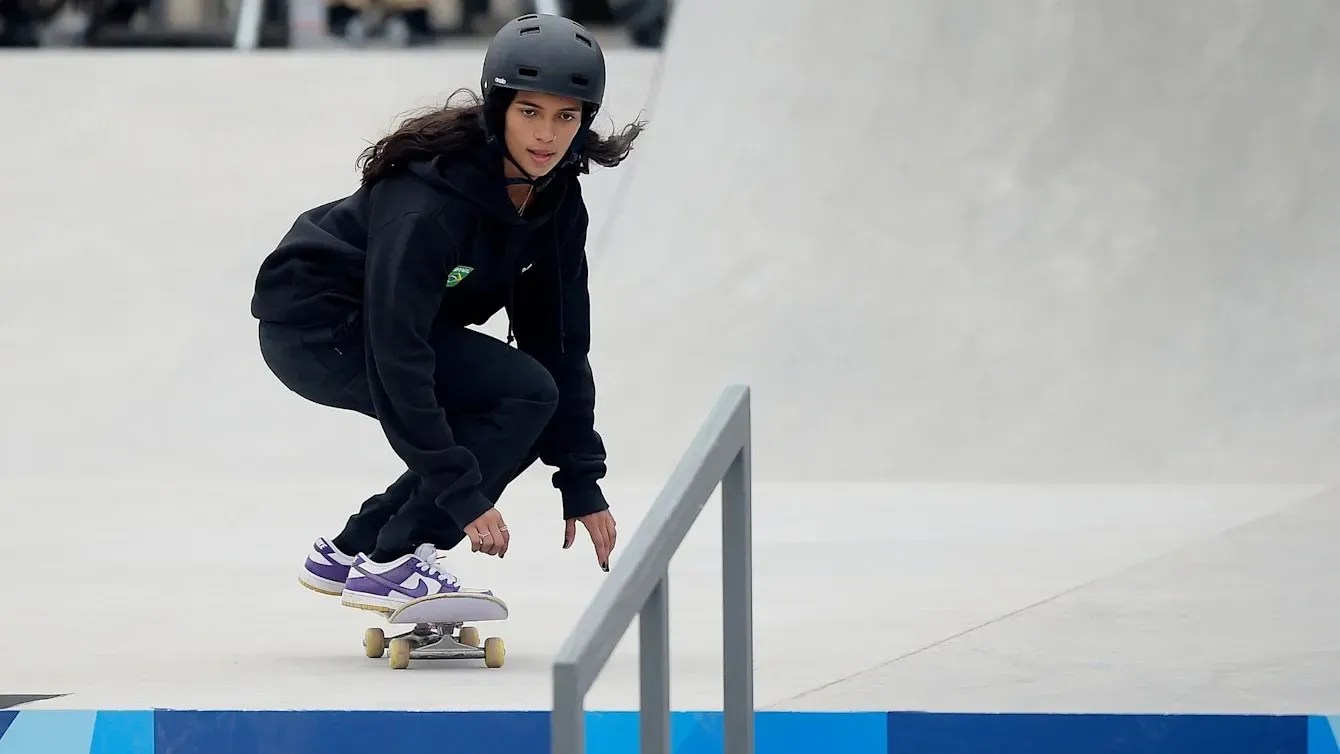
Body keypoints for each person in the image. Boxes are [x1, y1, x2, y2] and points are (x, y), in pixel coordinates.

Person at [249, 13, 645, 613]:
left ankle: (356, 550)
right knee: (521, 396)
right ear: (499, 109)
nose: (547, 136)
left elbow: (560, 341)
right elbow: (397, 354)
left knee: (530, 391)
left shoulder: (557, 200)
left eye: (566, 116)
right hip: (316, 327)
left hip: (386, 328)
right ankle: (397, 558)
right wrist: (462, 498)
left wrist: (581, 478)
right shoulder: (429, 204)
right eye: (530, 112)